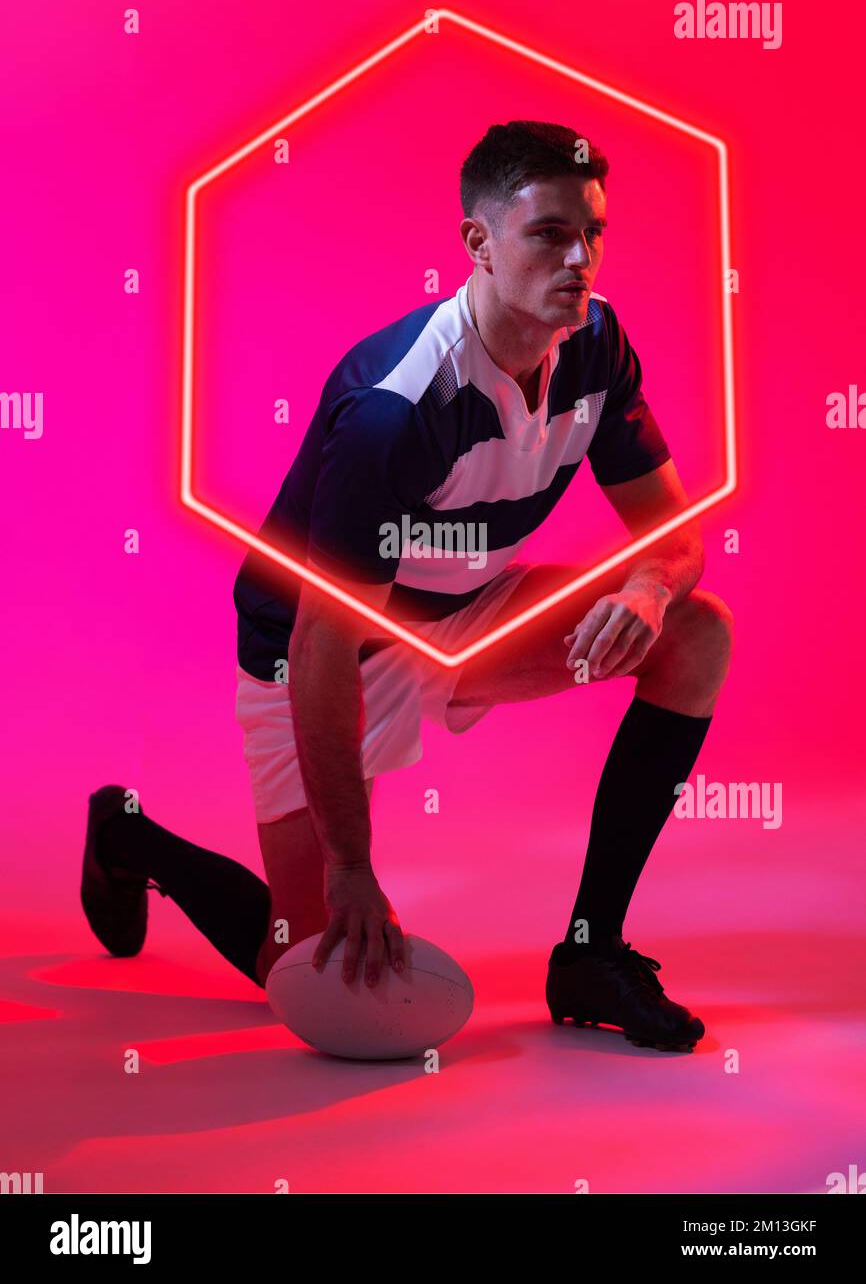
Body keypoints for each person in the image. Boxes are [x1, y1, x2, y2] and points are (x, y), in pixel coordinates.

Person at [83, 120, 734, 1053]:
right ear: (477, 242)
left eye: (592, 232)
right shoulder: (394, 408)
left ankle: (593, 951)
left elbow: (672, 536)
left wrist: (648, 591)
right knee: (310, 973)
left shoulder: (593, 342)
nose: (580, 258)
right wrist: (353, 864)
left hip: (460, 614)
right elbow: (320, 647)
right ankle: (131, 837)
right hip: (318, 645)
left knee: (696, 631)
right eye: (548, 233)